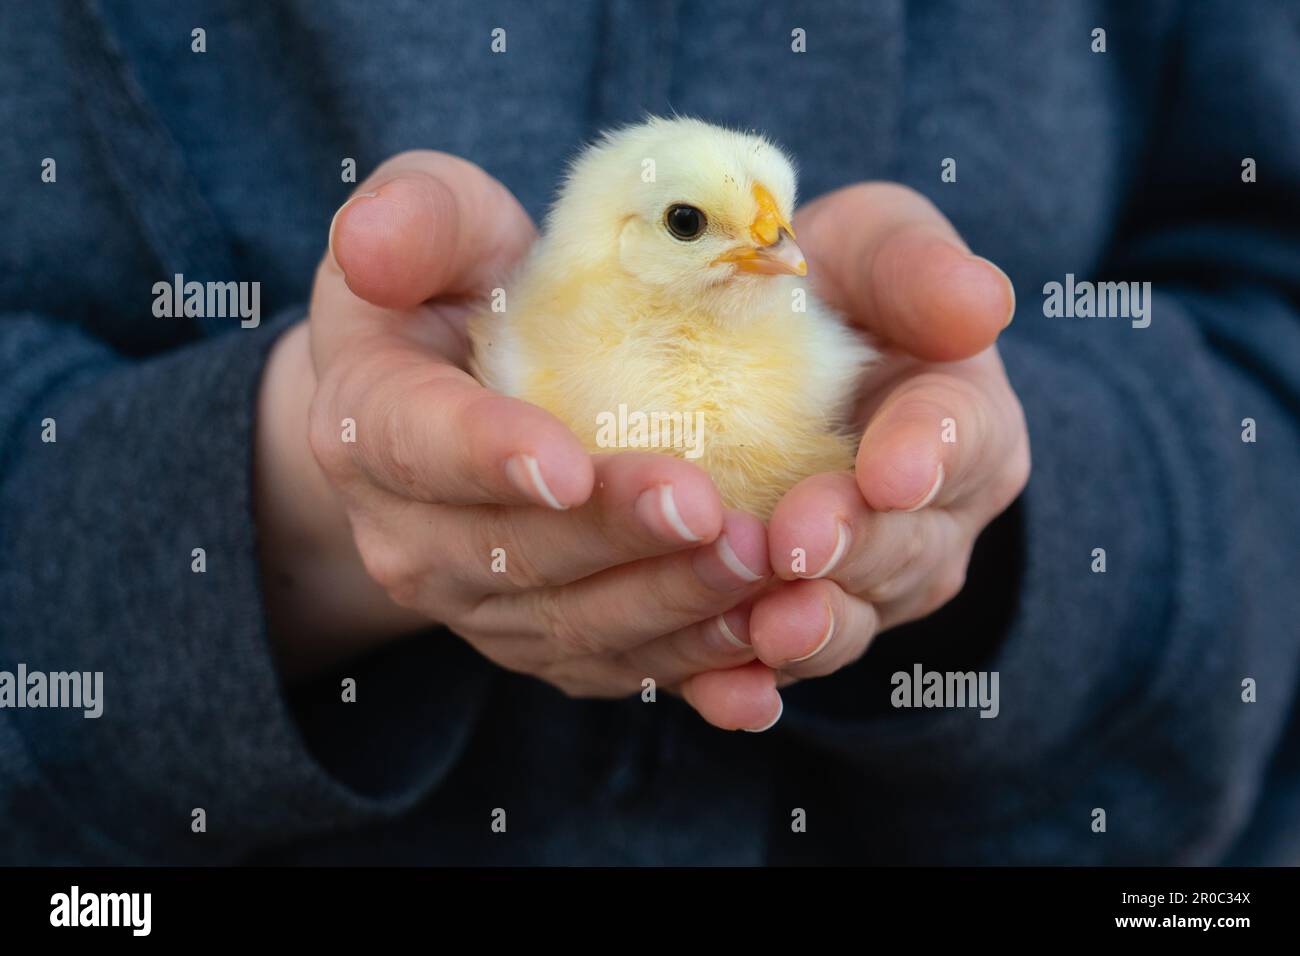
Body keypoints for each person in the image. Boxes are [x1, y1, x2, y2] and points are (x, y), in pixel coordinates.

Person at [2, 1, 1296, 865]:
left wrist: (1016, 538)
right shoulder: (552, 343)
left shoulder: (780, 345)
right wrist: (289, 514)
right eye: (701, 227)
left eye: (772, 223)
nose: (772, 254)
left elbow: (1266, 284)